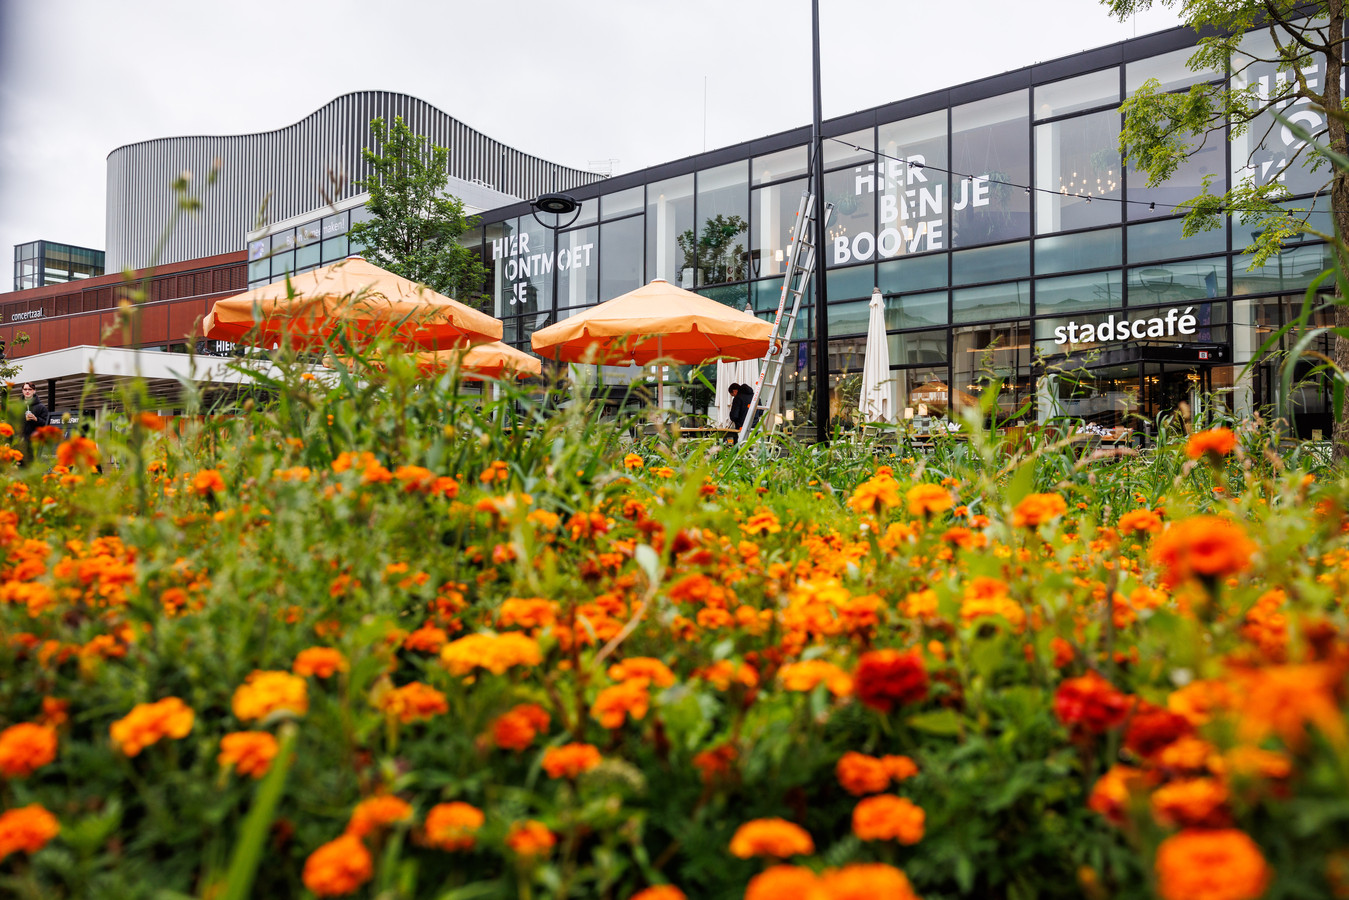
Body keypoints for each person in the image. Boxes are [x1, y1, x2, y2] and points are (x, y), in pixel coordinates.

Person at [19, 382, 49, 467]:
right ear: (22, 391)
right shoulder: (17, 407)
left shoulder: (41, 407)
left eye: (30, 389)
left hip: (35, 445)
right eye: (25, 389)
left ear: (34, 391)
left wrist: (36, 419)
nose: (27, 391)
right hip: (20, 445)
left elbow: (46, 424)